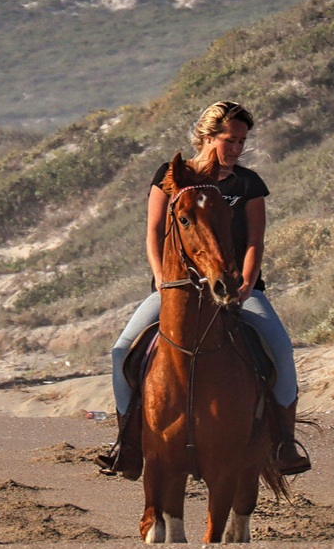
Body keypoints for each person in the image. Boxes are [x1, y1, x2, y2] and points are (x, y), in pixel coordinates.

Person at [99, 100, 310, 477]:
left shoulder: (247, 184)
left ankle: (283, 441)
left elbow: (254, 243)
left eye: (242, 141)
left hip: (237, 289)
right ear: (206, 137)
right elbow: (153, 232)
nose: (236, 149)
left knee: (280, 350)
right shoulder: (172, 175)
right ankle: (127, 443)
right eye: (229, 140)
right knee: (120, 353)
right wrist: (163, 280)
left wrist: (246, 284)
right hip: (176, 290)